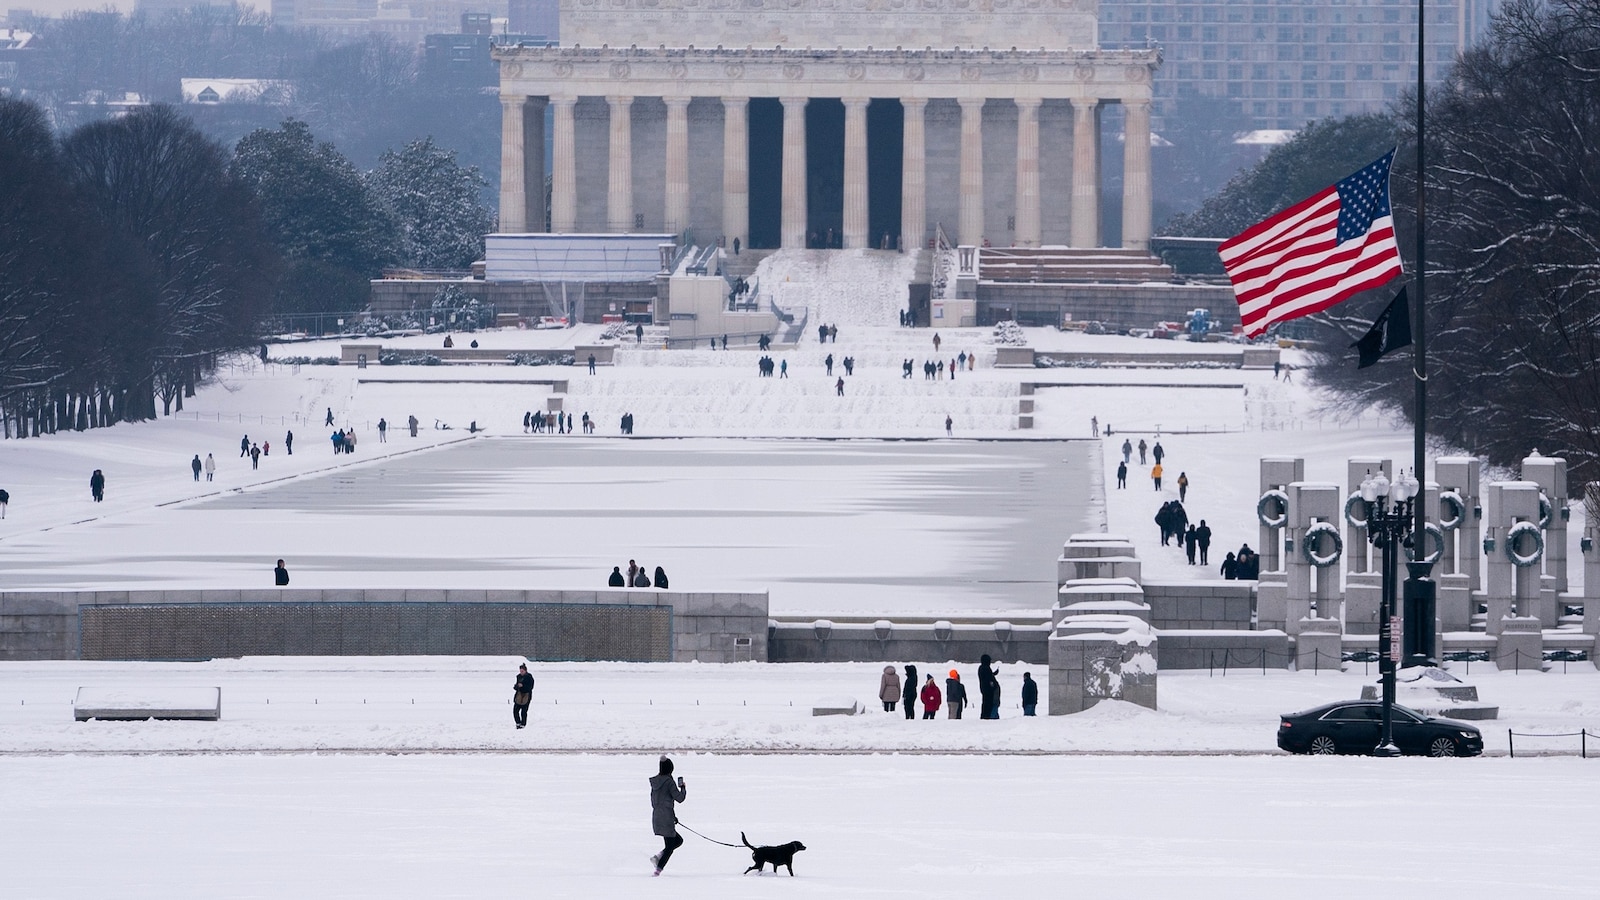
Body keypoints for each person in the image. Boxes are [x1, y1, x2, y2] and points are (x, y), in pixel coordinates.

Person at [649, 757, 688, 876]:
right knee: (670, 846)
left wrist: (673, 816)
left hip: (657, 816)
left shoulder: (655, 783)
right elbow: (679, 798)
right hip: (666, 818)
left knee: (677, 841)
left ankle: (658, 858)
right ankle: (657, 870)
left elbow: (660, 801)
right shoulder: (669, 782)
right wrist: (683, 788)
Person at [512, 663, 534, 729]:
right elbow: (516, 686)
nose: (521, 672)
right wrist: (516, 686)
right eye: (520, 671)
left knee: (524, 711)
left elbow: (530, 687)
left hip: (526, 696)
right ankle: (518, 722)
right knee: (515, 710)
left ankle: (523, 724)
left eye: (522, 671)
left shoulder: (529, 677)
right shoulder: (518, 677)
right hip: (519, 696)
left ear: (525, 671)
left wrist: (523, 686)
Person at [978, 654, 1000, 719]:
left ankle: (984, 716)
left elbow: (987, 676)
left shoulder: (981, 668)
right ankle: (987, 716)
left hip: (984, 689)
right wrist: (993, 685)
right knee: (988, 704)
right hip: (989, 690)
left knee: (985, 703)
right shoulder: (986, 668)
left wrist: (994, 673)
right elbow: (989, 677)